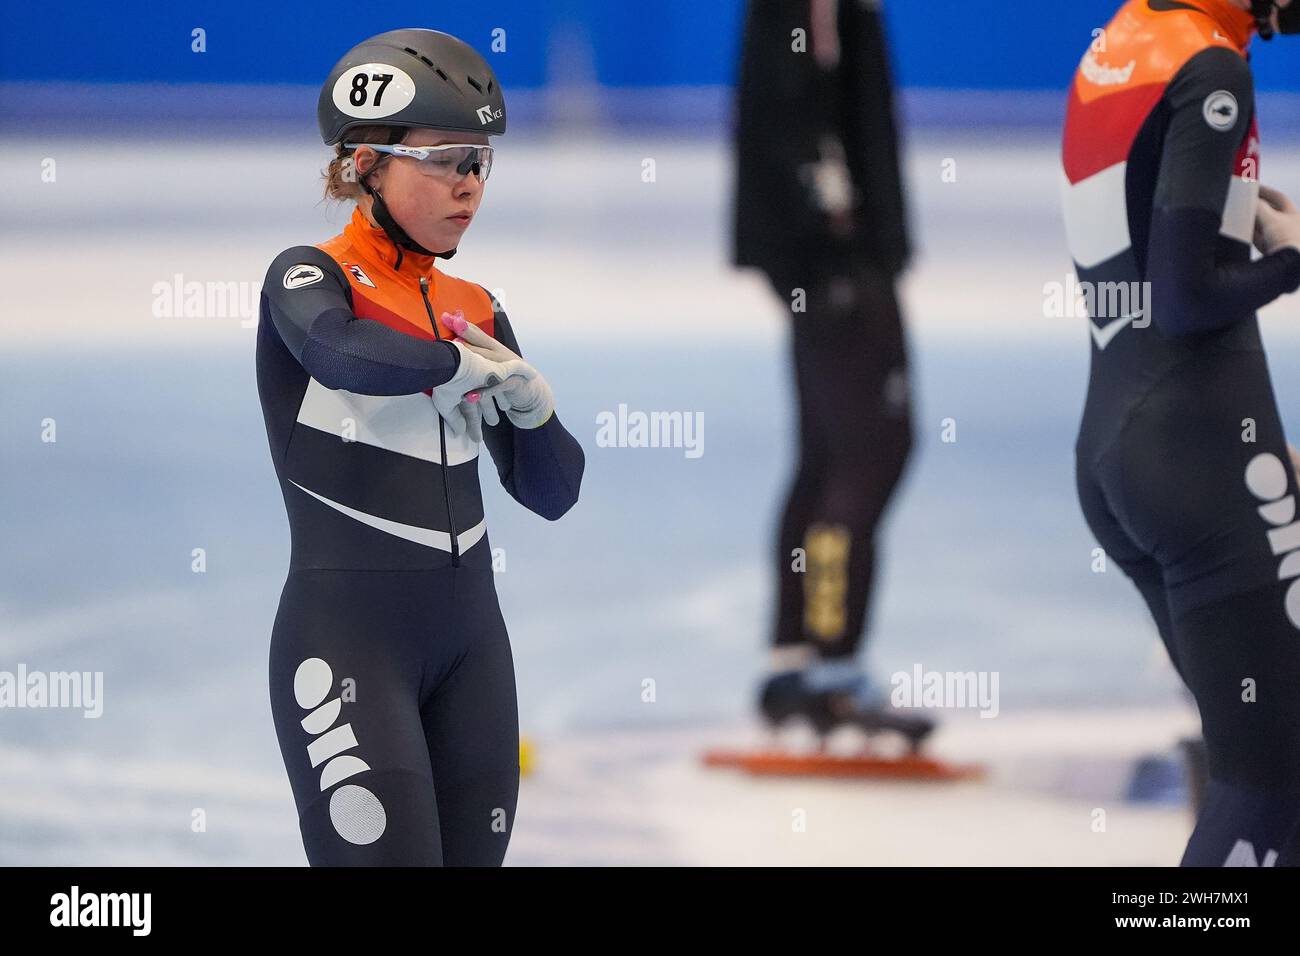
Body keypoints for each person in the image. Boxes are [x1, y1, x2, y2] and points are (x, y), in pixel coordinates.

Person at [255, 27, 585, 865]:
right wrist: (449, 362)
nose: (469, 186)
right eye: (443, 159)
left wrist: (536, 408)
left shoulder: (476, 303)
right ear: (365, 162)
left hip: (474, 648)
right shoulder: (311, 276)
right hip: (346, 642)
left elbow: (552, 494)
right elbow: (336, 351)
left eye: (480, 160)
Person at [1063, 0, 1300, 865]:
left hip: (1123, 451)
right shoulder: (1212, 73)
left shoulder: (1121, 46)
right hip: (1203, 455)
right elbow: (1185, 299)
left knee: (1267, 781)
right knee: (1272, 790)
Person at [732, 0, 932, 749]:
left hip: (821, 255)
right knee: (870, 454)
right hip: (834, 260)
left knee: (827, 459)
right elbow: (794, 109)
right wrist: (835, 238)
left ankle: (797, 659)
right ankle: (831, 664)